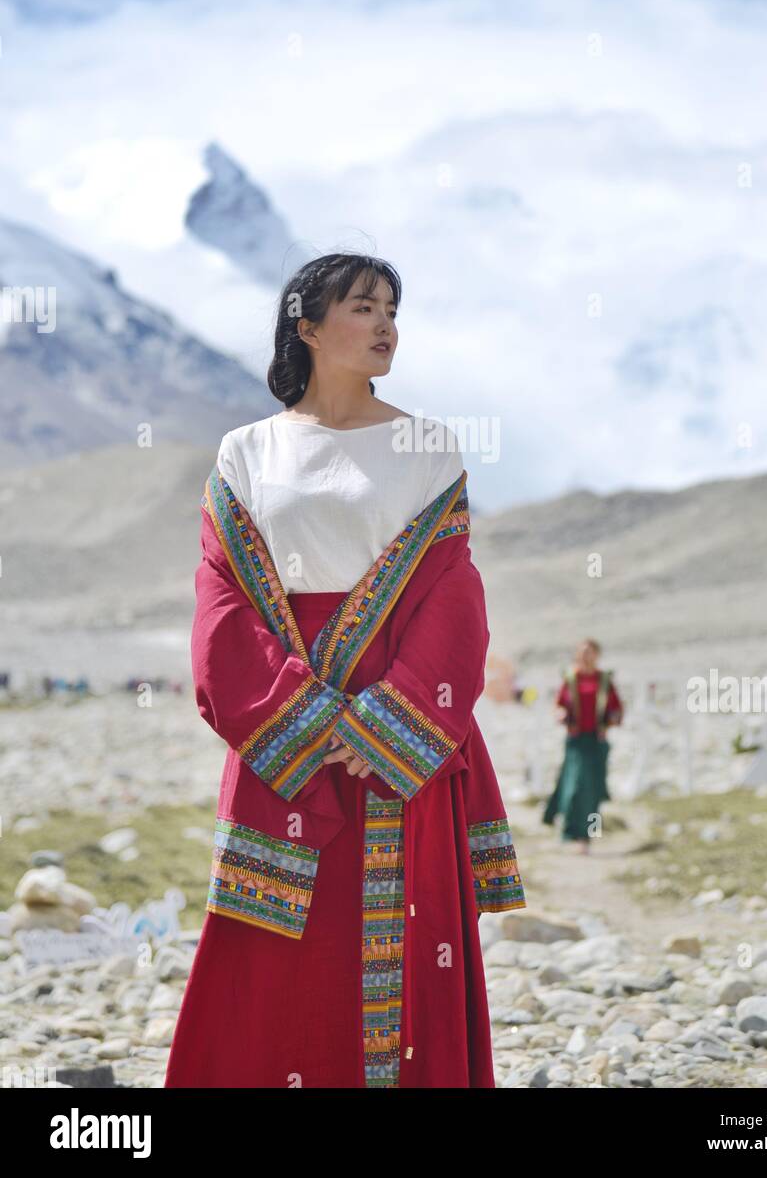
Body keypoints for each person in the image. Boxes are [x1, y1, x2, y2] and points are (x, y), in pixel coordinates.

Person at [164, 251, 525, 1090]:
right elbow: (223, 606)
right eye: (363, 306)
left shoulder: (427, 446)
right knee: (275, 948)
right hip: (284, 735)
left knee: (406, 942)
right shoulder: (246, 452)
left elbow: (452, 594)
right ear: (309, 326)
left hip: (400, 733)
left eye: (393, 308)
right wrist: (308, 724)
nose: (386, 323)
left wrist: (385, 726)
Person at [542, 639, 623, 854]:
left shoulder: (604, 680)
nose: (586, 656)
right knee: (574, 787)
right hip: (576, 742)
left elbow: (616, 708)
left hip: (597, 742)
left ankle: (591, 835)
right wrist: (560, 714)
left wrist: (612, 720)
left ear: (597, 654)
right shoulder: (570, 679)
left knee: (594, 791)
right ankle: (570, 833)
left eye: (590, 652)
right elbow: (558, 705)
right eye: (583, 652)